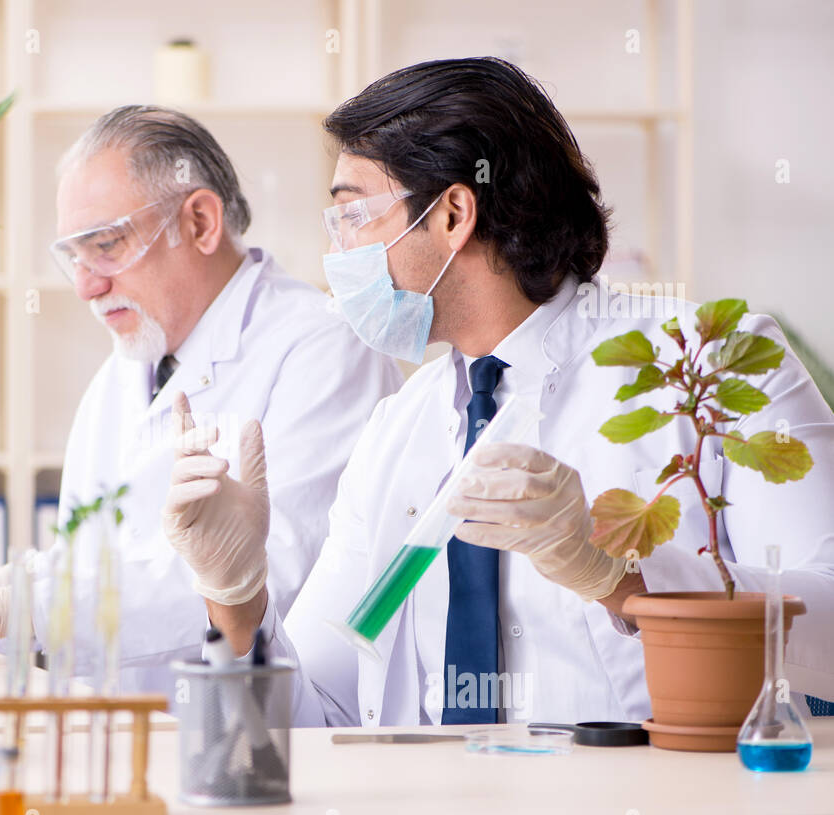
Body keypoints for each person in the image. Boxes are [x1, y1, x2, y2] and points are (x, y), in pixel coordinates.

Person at [163, 58, 834, 726]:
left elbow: (830, 630)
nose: (338, 253)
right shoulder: (398, 428)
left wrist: (624, 579)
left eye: (353, 216)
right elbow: (317, 714)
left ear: (454, 212)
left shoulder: (715, 361)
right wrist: (236, 595)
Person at [0, 105, 402, 696]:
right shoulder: (118, 376)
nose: (85, 285)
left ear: (201, 222)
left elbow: (259, 586)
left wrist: (29, 608)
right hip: (128, 745)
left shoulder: (324, 349)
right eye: (74, 257)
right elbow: (89, 559)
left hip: (267, 738)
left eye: (105, 246)